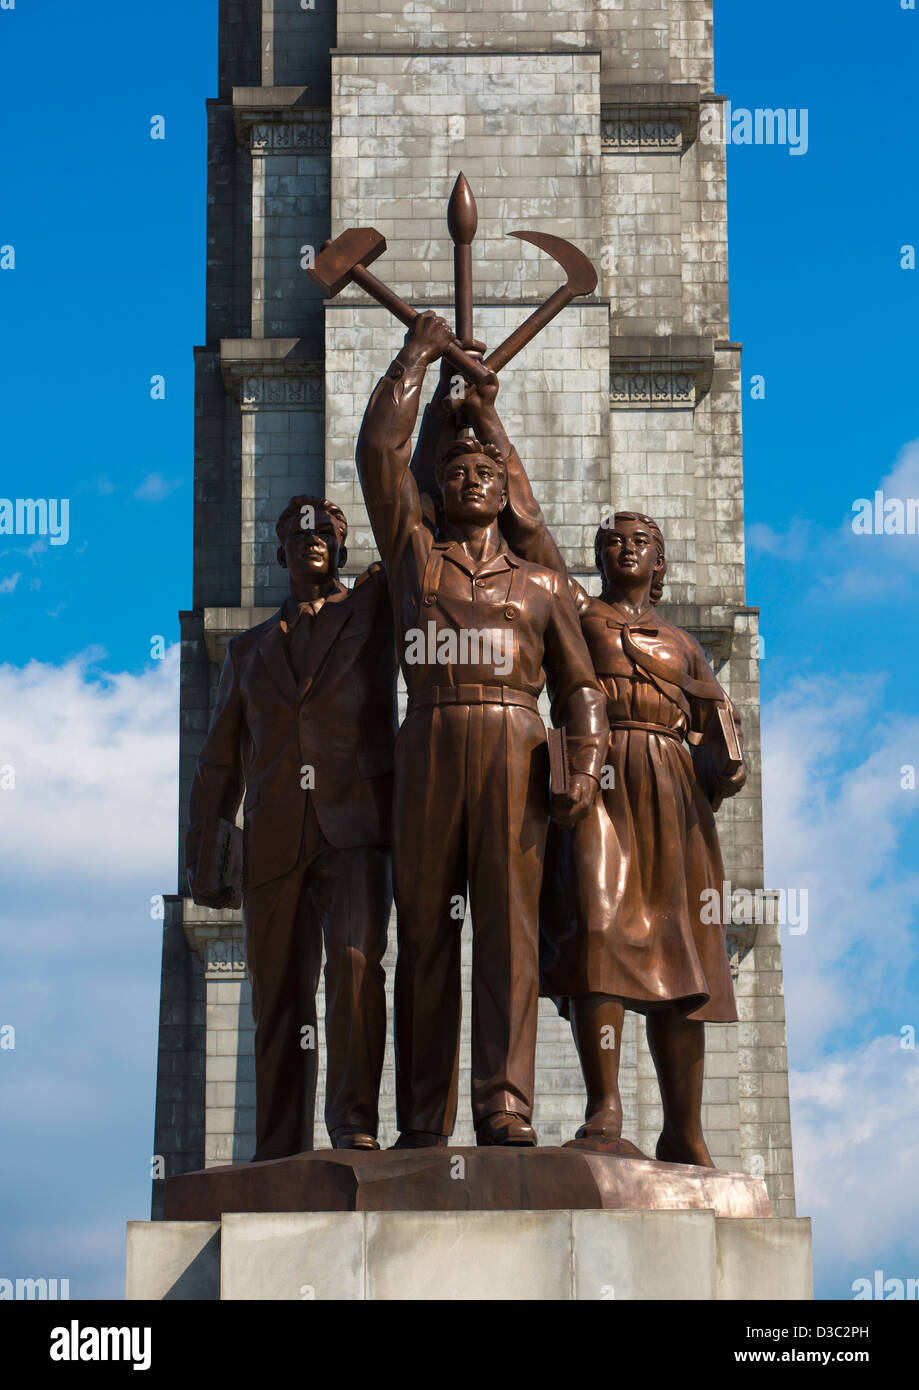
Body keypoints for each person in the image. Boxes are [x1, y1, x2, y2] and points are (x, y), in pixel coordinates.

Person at [453, 369, 747, 1167]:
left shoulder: (684, 644)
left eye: (639, 541)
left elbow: (718, 725)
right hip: (600, 776)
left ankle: (682, 1126)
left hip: (672, 791)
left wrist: (724, 753)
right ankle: (604, 1108)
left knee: (682, 957)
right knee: (598, 931)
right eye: (612, 539)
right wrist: (485, 417)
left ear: (660, 563)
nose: (624, 547)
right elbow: (526, 524)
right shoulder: (575, 610)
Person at [356, 311, 609, 1149]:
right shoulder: (413, 561)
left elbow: (581, 686)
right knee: (425, 931)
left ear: (504, 491)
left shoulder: (539, 585)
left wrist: (581, 764)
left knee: (508, 935)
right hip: (428, 737)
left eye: (484, 473)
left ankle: (503, 1105)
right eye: (455, 470)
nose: (470, 481)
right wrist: (415, 358)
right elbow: (378, 458)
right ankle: (422, 1122)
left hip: (515, 746)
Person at [186, 496, 397, 1158]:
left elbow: (406, 494)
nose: (313, 540)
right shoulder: (247, 652)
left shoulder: (373, 609)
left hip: (356, 829)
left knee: (357, 970)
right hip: (273, 840)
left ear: (341, 546)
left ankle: (353, 1124)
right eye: (298, 533)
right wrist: (204, 861)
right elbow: (219, 759)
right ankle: (278, 1148)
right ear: (278, 552)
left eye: (328, 532)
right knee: (277, 997)